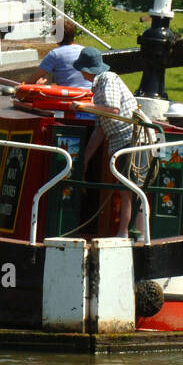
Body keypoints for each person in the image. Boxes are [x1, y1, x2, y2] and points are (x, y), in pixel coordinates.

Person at [72, 46, 139, 237]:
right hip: (120, 141)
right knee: (128, 188)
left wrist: (85, 106)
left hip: (130, 138)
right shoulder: (98, 87)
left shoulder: (107, 79)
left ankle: (127, 233)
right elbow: (99, 131)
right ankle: (129, 232)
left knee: (129, 189)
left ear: (86, 70)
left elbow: (112, 109)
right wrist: (84, 159)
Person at [27, 19, 87, 88]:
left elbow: (32, 80)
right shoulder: (84, 50)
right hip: (89, 95)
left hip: (70, 95)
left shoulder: (55, 54)